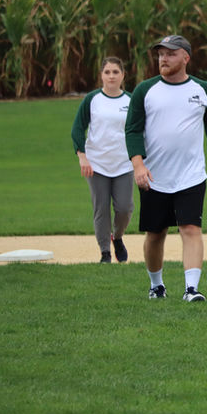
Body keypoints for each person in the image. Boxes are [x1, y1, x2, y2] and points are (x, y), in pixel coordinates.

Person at [125, 34, 207, 302]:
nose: (163, 58)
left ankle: (191, 289)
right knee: (155, 233)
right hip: (153, 176)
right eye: (161, 53)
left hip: (191, 176)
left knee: (191, 229)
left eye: (171, 53)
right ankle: (156, 285)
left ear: (186, 58)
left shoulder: (202, 89)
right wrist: (138, 165)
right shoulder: (144, 90)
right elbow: (133, 130)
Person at [70, 57, 135, 263]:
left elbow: (139, 131)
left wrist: (140, 159)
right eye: (107, 72)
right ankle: (105, 252)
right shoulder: (92, 99)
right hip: (96, 164)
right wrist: (82, 156)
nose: (111, 76)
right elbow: (77, 128)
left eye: (116, 72)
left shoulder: (130, 101)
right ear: (101, 75)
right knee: (101, 208)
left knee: (124, 208)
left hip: (124, 163)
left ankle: (117, 237)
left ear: (123, 75)